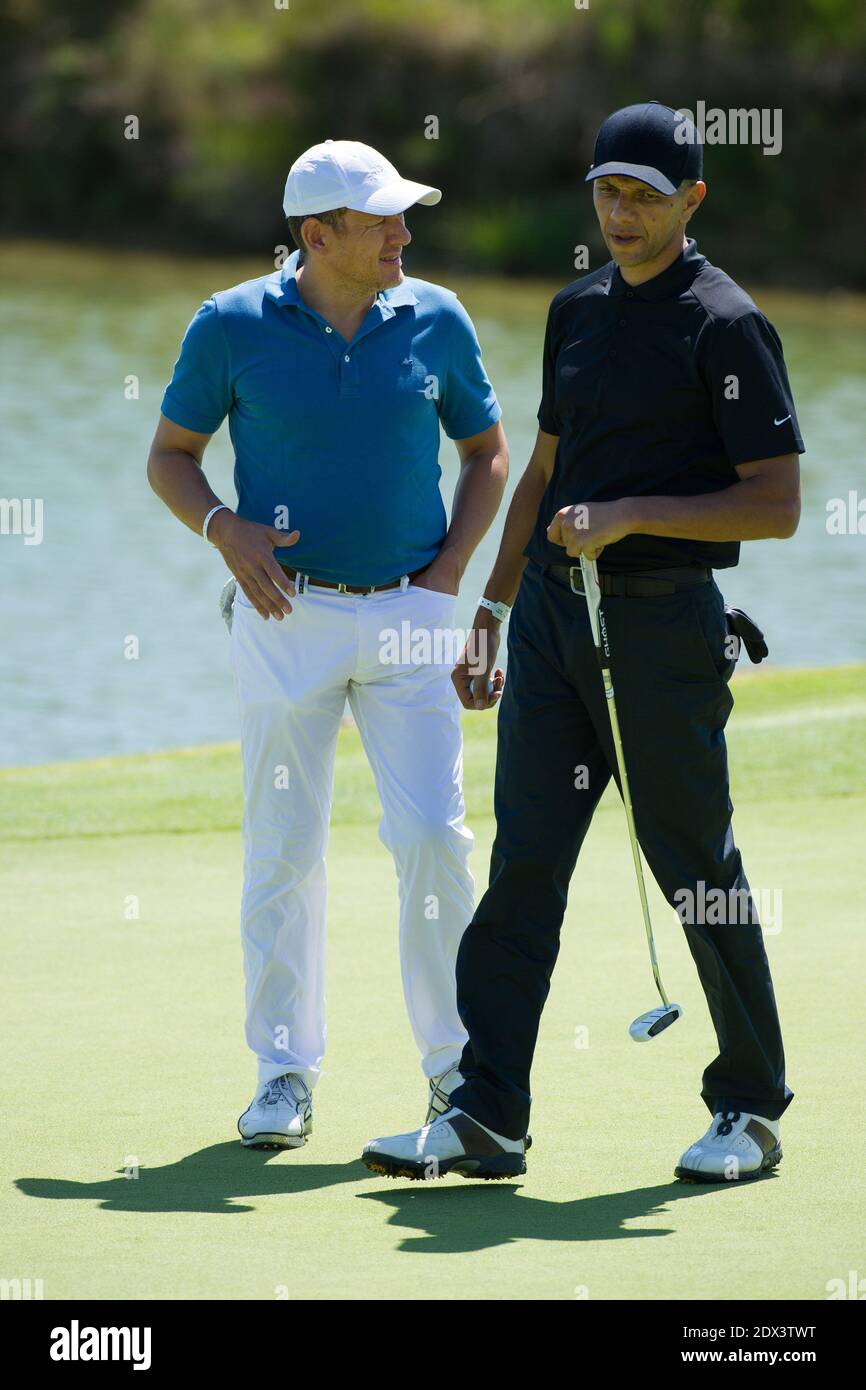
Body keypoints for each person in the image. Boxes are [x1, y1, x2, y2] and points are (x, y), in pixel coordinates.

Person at [363, 102, 802, 1183]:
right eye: (605, 192)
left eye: (642, 196)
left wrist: (632, 516)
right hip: (559, 620)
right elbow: (546, 465)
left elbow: (775, 503)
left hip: (660, 623)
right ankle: (487, 1114)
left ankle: (746, 1107)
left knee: (693, 865)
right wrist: (494, 603)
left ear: (690, 200)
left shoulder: (726, 325)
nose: (617, 212)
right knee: (523, 863)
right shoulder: (576, 310)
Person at [147, 139, 508, 1148]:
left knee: (433, 839)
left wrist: (445, 579)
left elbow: (485, 455)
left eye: (404, 216)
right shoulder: (229, 325)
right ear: (317, 236)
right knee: (283, 850)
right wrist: (224, 528)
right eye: (382, 218)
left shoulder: (435, 316)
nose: (404, 232)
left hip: (409, 610)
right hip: (281, 615)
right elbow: (171, 456)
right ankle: (282, 1073)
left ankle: (453, 1071)